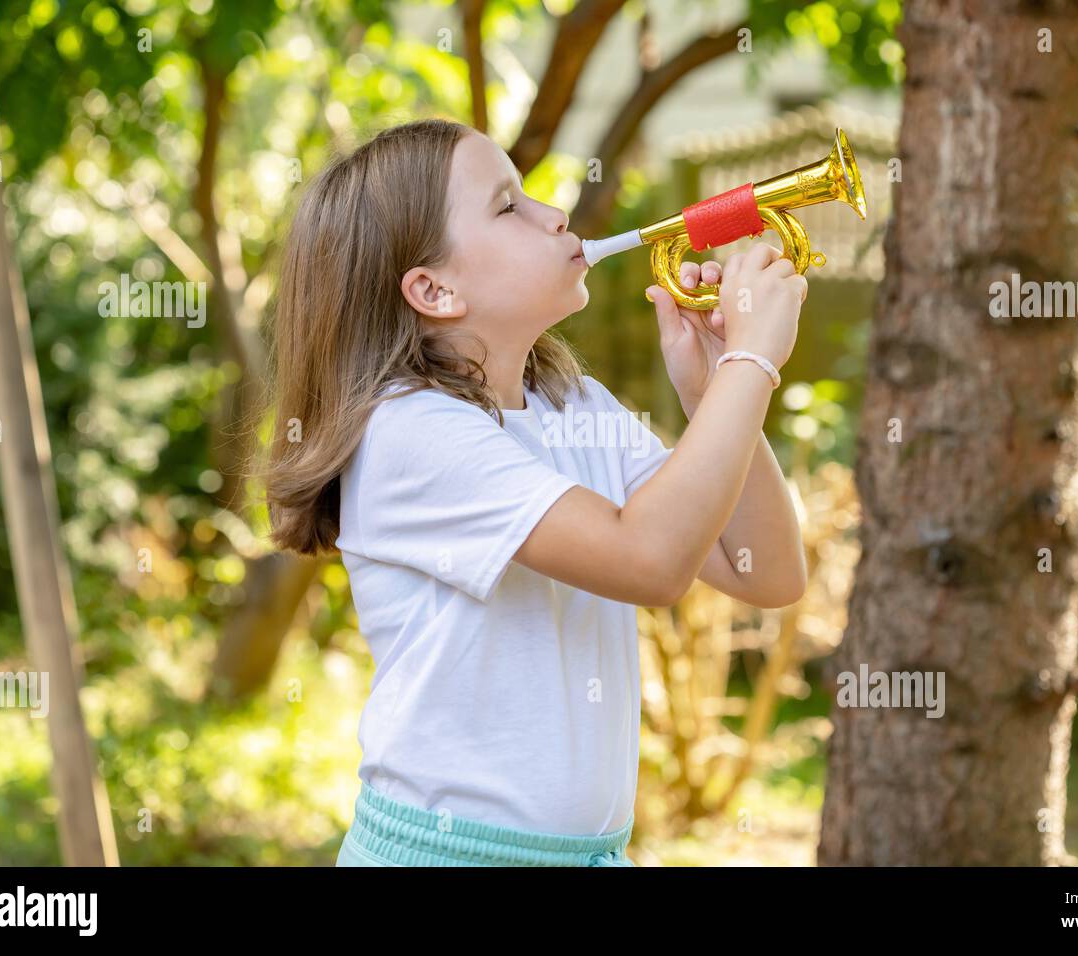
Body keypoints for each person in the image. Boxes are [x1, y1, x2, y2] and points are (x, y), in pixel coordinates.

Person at [260, 117, 808, 866]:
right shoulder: (409, 432)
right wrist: (751, 362)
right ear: (434, 288)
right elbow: (649, 561)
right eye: (508, 205)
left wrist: (715, 384)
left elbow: (766, 571)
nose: (554, 215)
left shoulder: (572, 403)